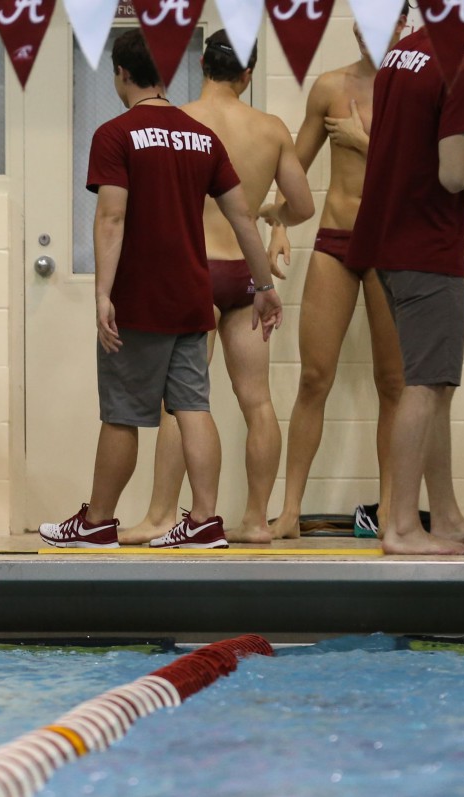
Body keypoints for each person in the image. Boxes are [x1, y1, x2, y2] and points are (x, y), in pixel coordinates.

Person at [38, 30, 282, 551]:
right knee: (193, 407)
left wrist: (103, 293)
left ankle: (99, 522)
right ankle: (204, 522)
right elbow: (242, 217)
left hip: (141, 298)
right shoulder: (201, 138)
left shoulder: (116, 134)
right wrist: (263, 285)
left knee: (123, 415)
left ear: (121, 74)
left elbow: (111, 216)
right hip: (192, 297)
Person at [120, 31, 313, 546]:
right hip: (247, 276)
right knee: (257, 401)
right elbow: (302, 204)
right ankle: (254, 520)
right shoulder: (271, 129)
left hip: (191, 272)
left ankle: (162, 514)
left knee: (180, 404)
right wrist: (272, 218)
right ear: (248, 74)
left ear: (201, 63)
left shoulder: (177, 124)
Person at [344, 18, 464, 555]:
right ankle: (401, 525)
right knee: (425, 386)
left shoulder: (400, 57)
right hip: (427, 246)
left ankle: (444, 516)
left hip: (387, 240)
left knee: (436, 385)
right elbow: (454, 173)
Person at [268, 14, 409, 540]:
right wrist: (279, 222)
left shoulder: (416, 86)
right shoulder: (330, 87)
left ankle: (393, 509)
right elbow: (294, 165)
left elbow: (419, 172)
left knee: (393, 384)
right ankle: (289, 509)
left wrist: (361, 139)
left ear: (402, 26)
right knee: (313, 378)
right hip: (335, 240)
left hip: (390, 243)